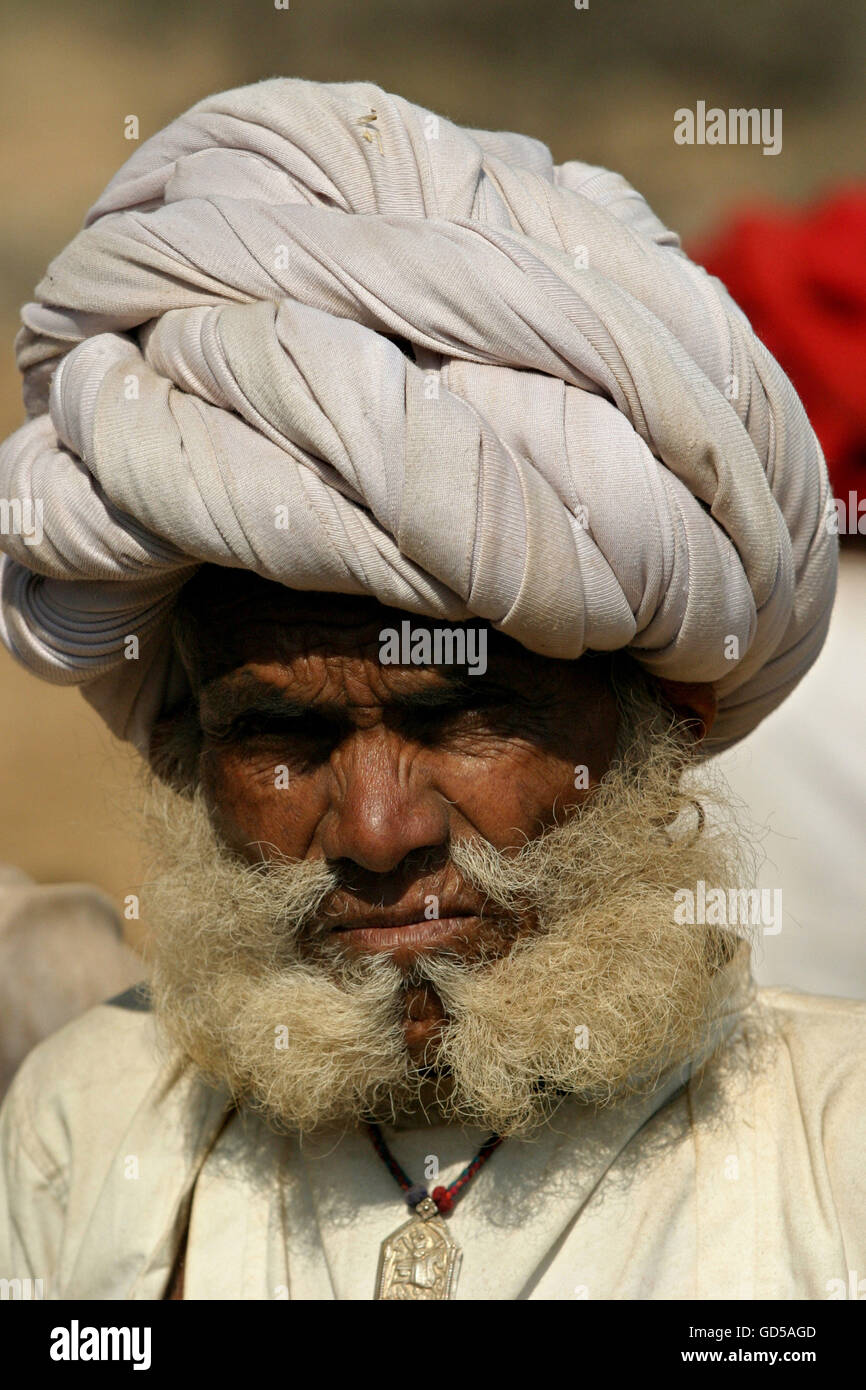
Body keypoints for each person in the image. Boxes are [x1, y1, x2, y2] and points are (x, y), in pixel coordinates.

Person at [0, 78, 861, 1302]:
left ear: (663, 722)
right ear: (188, 751)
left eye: (460, 717)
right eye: (282, 737)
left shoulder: (833, 1160)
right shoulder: (87, 1135)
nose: (376, 831)